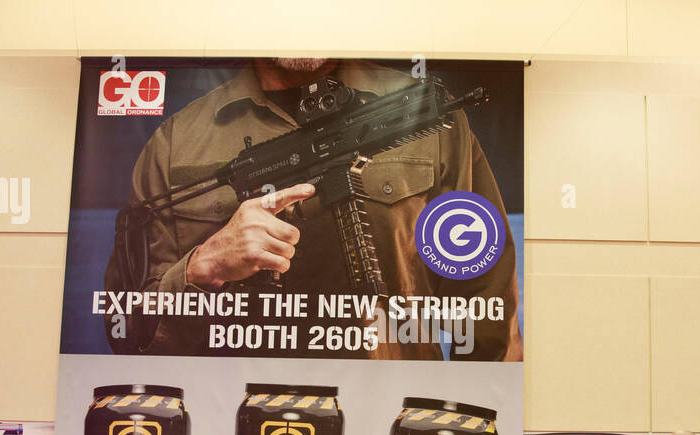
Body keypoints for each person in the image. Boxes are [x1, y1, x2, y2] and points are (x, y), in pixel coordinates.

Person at [104, 57, 523, 360]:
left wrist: (483, 419)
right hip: (226, 417)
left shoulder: (425, 116)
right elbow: (124, 329)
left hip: (393, 410)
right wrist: (201, 268)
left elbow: (487, 299)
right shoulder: (177, 142)